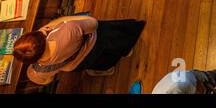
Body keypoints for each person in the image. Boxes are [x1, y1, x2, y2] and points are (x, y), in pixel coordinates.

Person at [13, 14, 145, 84]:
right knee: (108, 34)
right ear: (39, 35)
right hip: (92, 42)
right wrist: (62, 21)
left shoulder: (39, 69)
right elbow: (93, 23)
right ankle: (125, 48)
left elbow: (46, 80)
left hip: (77, 63)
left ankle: (106, 69)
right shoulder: (69, 30)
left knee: (97, 62)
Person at [152, 67, 216, 94]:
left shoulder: (177, 87)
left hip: (193, 80)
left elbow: (197, 87)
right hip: (181, 80)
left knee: (210, 78)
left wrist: (205, 90)